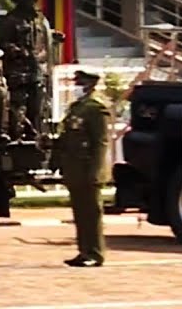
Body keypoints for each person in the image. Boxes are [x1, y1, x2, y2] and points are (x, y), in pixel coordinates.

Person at [55, 69, 111, 267]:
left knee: (92, 213)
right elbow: (68, 138)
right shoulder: (76, 107)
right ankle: (84, 250)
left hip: (88, 169)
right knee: (80, 212)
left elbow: (101, 142)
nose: (76, 86)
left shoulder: (96, 109)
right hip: (75, 168)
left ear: (90, 84)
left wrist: (96, 171)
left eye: (80, 82)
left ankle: (95, 253)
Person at [0, 0, 52, 140]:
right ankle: (16, 134)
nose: (28, 3)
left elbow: (43, 41)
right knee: (17, 104)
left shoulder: (39, 20)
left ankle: (33, 133)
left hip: (36, 68)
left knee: (36, 104)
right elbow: (2, 43)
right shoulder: (9, 20)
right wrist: (17, 51)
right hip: (17, 69)